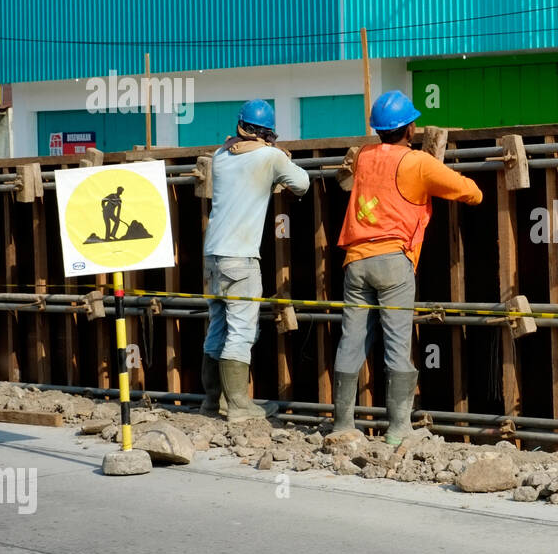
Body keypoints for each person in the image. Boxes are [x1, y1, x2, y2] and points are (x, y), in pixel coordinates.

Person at [333, 90, 482, 444]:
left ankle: (342, 425)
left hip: (356, 261)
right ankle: (399, 429)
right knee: (397, 344)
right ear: (410, 129)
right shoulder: (418, 163)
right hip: (393, 263)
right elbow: (468, 191)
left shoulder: (365, 157)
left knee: (352, 340)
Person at [201, 99, 310, 421]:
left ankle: (212, 402)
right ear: (267, 133)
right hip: (241, 257)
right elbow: (302, 184)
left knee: (218, 325)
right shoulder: (269, 156)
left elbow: (243, 168)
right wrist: (279, 162)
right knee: (241, 331)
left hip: (213, 254)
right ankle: (238, 407)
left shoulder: (220, 156)